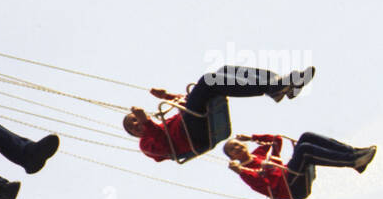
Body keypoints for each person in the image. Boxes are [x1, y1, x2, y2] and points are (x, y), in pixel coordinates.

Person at [123, 65, 314, 163]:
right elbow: (164, 145)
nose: (136, 124)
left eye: (135, 120)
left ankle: (278, 82)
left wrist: (167, 96)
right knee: (207, 82)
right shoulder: (146, 144)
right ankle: (274, 87)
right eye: (133, 126)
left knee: (222, 73)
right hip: (193, 136)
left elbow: (190, 102)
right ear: (135, 134)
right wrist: (146, 122)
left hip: (193, 123)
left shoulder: (165, 123)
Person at [223, 133, 376, 199]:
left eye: (237, 143)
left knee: (306, 137)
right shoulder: (245, 171)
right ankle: (353, 161)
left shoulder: (258, 154)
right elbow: (259, 182)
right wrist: (240, 170)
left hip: (290, 175)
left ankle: (354, 154)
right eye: (232, 149)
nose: (237, 147)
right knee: (304, 150)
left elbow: (276, 140)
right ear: (232, 157)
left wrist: (252, 138)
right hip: (290, 187)